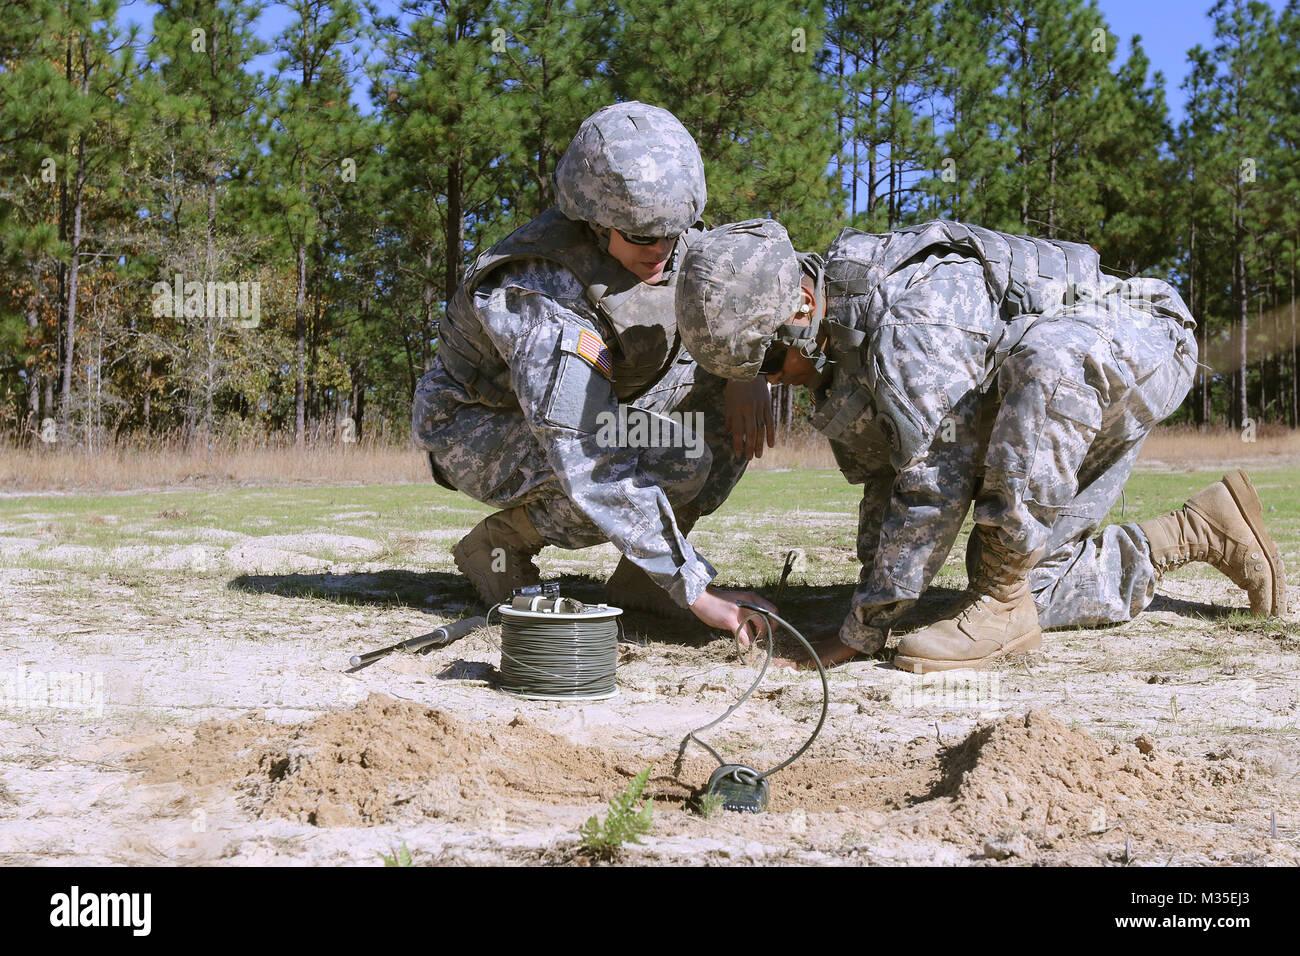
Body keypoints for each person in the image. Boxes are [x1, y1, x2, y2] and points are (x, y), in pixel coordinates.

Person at [674, 218, 1287, 671]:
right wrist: (873, 604)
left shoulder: (908, 325)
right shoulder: (842, 337)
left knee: (1044, 367)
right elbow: (888, 480)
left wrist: (857, 636)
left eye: (772, 361)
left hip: (1135, 336)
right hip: (1061, 394)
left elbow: (934, 476)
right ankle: (1197, 529)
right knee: (1038, 586)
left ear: (803, 305)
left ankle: (999, 604)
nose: (774, 380)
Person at [412, 102, 776, 638]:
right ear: (595, 223)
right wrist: (696, 589)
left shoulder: (671, 238)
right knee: (669, 460)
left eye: (672, 234)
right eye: (642, 237)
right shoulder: (539, 289)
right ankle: (498, 545)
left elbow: (765, 280)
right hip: (477, 426)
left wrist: (747, 373)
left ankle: (641, 581)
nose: (662, 252)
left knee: (713, 422)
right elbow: (585, 449)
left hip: (597, 410)